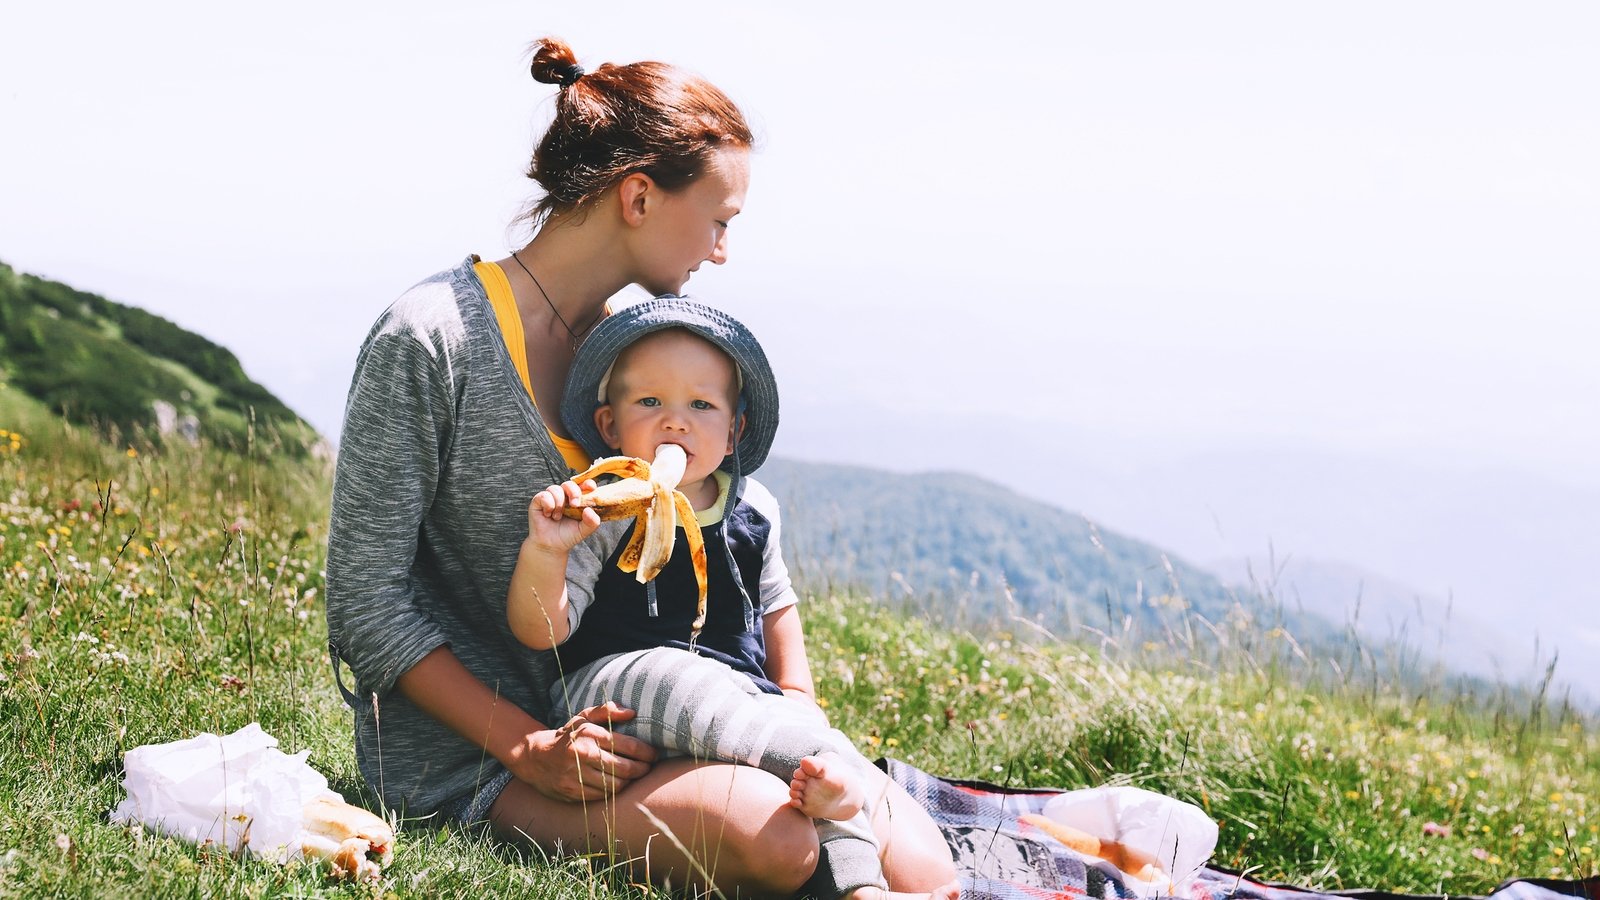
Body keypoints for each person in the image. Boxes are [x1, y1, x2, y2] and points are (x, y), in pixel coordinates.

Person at [324, 37, 955, 898]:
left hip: (650, 732)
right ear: (638, 196)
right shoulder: (432, 337)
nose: (723, 250)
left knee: (924, 869)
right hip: (479, 766)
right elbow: (365, 604)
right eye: (720, 219)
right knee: (778, 845)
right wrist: (526, 748)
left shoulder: (638, 360)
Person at [506, 299, 960, 900]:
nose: (676, 423)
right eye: (649, 403)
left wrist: (798, 697)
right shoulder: (609, 504)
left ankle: (853, 875)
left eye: (701, 405)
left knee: (934, 877)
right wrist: (545, 551)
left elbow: (777, 605)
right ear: (610, 426)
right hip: (616, 687)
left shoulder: (756, 509)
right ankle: (829, 787)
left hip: (745, 701)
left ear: (734, 428)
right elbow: (542, 631)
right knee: (690, 684)